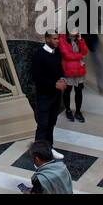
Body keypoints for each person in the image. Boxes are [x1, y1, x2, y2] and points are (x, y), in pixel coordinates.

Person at [29, 31, 68, 160]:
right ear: (47, 39)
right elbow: (37, 77)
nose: (57, 41)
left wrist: (62, 79)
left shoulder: (56, 53)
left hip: (55, 96)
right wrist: (54, 85)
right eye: (54, 39)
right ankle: (38, 154)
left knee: (51, 122)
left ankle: (49, 148)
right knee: (43, 124)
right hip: (44, 96)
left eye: (58, 39)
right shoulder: (39, 55)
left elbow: (59, 69)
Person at [59, 30, 89, 123]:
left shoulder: (78, 39)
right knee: (67, 91)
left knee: (79, 91)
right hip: (68, 70)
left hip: (79, 70)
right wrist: (79, 56)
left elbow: (85, 52)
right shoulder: (62, 38)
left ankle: (78, 112)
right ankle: (68, 110)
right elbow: (67, 55)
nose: (74, 31)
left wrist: (81, 40)